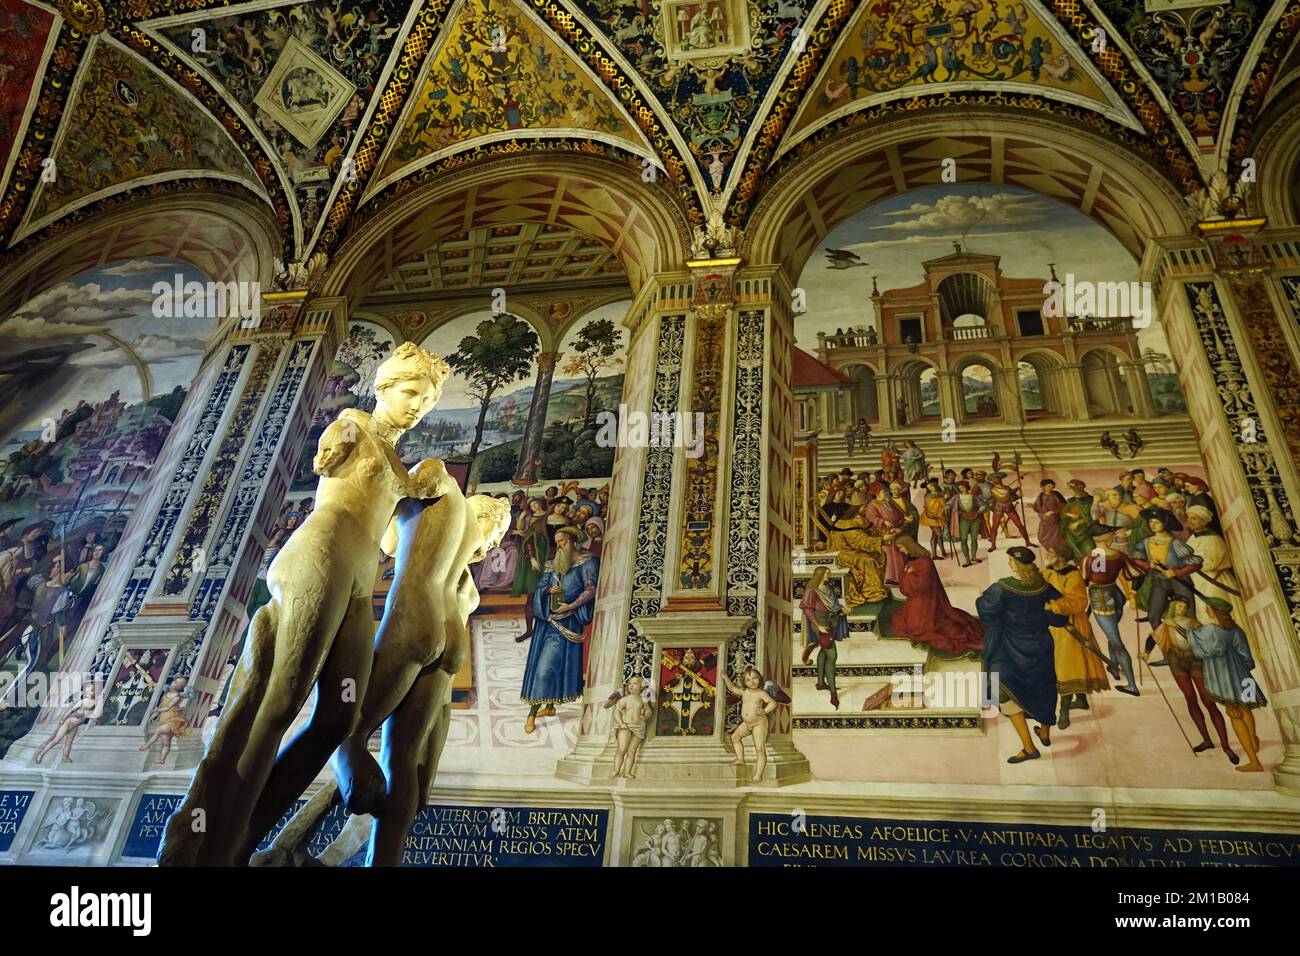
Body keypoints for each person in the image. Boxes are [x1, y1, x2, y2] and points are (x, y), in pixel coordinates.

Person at [159, 342, 451, 867]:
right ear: (384, 387)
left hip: (359, 578)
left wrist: (420, 487)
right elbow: (329, 453)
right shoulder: (353, 425)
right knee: (279, 703)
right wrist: (369, 454)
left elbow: (394, 535)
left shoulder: (396, 460)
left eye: (427, 401)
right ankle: (217, 848)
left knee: (340, 717)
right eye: (411, 392)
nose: (418, 406)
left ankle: (242, 838)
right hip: (322, 555)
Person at [977, 547, 1069, 763]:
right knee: (1044, 688)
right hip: (1040, 646)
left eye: (1011, 560)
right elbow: (1060, 616)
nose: (1009, 562)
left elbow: (985, 610)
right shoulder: (1043, 586)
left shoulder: (1002, 588)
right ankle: (1044, 732)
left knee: (1002, 690)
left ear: (1017, 564)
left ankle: (1029, 748)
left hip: (1010, 647)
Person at [521, 528, 599, 734]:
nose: (559, 547)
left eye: (562, 542)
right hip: (548, 623)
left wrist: (570, 606)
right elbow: (541, 586)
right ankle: (535, 712)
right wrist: (547, 590)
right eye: (557, 543)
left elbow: (591, 589)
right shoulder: (552, 564)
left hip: (570, 622)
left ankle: (545, 708)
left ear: (572, 540)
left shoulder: (588, 562)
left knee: (554, 668)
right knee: (543, 669)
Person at [1150, 596, 1235, 762]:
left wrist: (1175, 626)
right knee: (1190, 699)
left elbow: (1202, 639)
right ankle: (1207, 740)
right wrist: (1146, 652)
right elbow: (1152, 638)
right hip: (1176, 661)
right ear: (1173, 607)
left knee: (1208, 701)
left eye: (1184, 606)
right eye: (1179, 605)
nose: (1182, 608)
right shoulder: (1166, 623)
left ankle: (1226, 746)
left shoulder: (1194, 623)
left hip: (1195, 660)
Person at [1188, 598, 1267, 772]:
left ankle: (1255, 762)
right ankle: (1253, 740)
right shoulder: (1236, 629)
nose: (1207, 610)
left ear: (1215, 611)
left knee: (1235, 714)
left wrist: (1191, 629)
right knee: (1246, 709)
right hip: (1243, 676)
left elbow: (1199, 651)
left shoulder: (1209, 630)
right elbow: (1246, 657)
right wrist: (1240, 669)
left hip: (1224, 679)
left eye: (1209, 608)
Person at [1042, 546, 1109, 727]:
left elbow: (1080, 602)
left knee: (1068, 668)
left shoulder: (1073, 576)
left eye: (1051, 552)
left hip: (1070, 627)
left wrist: (1054, 606)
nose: (1047, 554)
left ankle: (1063, 711)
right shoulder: (1047, 572)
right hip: (1052, 626)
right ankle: (1081, 700)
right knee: (1065, 665)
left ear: (1061, 557)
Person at [890, 536, 982, 656]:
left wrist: (909, 575)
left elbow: (921, 585)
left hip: (927, 602)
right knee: (910, 625)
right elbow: (906, 585)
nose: (900, 550)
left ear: (909, 546)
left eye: (901, 547)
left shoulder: (925, 561)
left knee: (918, 628)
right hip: (915, 601)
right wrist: (907, 574)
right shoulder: (911, 560)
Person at [1131, 507, 1200, 664]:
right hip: (1159, 582)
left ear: (1165, 524)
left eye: (1157, 522)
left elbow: (1196, 563)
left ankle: (1195, 654)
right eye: (1151, 522)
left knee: (1189, 617)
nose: (1153, 525)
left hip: (1180, 582)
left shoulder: (1175, 543)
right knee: (1153, 616)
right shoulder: (1146, 542)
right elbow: (1135, 559)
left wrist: (1177, 572)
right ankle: (1168, 655)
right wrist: (1147, 565)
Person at [1080, 524, 1141, 696]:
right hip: (1116, 597)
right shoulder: (1118, 555)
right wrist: (1134, 590)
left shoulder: (1095, 557)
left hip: (1102, 601)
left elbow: (1088, 579)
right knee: (1111, 634)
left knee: (1116, 643)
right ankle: (1114, 668)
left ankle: (1132, 685)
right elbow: (1134, 574)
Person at [799, 566, 848, 707]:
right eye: (827, 573)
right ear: (820, 574)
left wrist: (842, 608)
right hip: (819, 622)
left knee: (824, 649)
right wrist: (818, 625)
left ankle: (821, 683)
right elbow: (808, 609)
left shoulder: (828, 588)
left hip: (831, 621)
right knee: (832, 655)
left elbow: (834, 605)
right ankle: (833, 694)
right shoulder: (812, 590)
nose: (829, 575)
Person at [721, 666, 780, 782]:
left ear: (760, 679)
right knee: (735, 737)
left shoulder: (761, 693)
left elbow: (773, 703)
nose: (752, 682)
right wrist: (725, 677)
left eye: (755, 678)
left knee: (759, 749)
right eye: (748, 680)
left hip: (759, 723)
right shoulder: (745, 692)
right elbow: (732, 688)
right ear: (744, 682)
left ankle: (758, 775)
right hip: (747, 723)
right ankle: (740, 759)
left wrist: (765, 711)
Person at [823, 513, 890, 608]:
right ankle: (871, 592)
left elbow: (870, 532)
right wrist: (882, 539)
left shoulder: (857, 520)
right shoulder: (846, 524)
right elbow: (861, 542)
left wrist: (885, 533)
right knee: (867, 559)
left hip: (850, 550)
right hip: (842, 553)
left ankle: (873, 590)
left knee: (876, 554)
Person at [865, 486, 907, 583]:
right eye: (884, 492)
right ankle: (890, 577)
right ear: (877, 494)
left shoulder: (888, 501)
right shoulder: (872, 504)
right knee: (888, 554)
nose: (886, 494)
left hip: (894, 530)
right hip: (883, 532)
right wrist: (883, 521)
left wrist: (902, 519)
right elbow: (871, 517)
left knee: (898, 553)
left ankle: (900, 576)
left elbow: (898, 512)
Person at [946, 479, 986, 566]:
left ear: (967, 487)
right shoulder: (956, 497)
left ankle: (974, 557)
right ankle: (967, 560)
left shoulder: (973, 496)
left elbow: (983, 505)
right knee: (963, 540)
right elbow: (948, 504)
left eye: (963, 487)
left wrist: (979, 511)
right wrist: (948, 508)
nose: (961, 489)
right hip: (963, 520)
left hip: (975, 519)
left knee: (974, 539)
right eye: (960, 488)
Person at [986, 471, 1029, 549]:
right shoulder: (993, 490)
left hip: (1009, 507)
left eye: (995, 479)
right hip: (998, 509)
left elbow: (1013, 497)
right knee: (994, 527)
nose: (994, 480)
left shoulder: (1006, 488)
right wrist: (1016, 488)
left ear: (1000, 479)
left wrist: (1018, 493)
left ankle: (1027, 541)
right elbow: (1003, 496)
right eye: (993, 479)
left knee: (1019, 524)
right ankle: (993, 545)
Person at [1061, 479, 1095, 559]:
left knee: (1088, 552)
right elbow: (1063, 512)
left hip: (1085, 531)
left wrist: (1078, 523)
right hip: (1071, 533)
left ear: (1076, 489)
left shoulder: (1089, 501)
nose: (1069, 490)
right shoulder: (1072, 501)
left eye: (1070, 488)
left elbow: (1092, 517)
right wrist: (1069, 514)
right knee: (1074, 553)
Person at [1032, 478, 1068, 553]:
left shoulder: (1056, 495)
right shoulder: (1041, 496)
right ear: (1043, 487)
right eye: (1048, 486)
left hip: (1055, 522)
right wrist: (1033, 506)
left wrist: (1052, 512)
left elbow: (1063, 506)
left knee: (1055, 539)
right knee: (1041, 537)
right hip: (1044, 521)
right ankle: (1050, 552)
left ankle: (1056, 553)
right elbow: (1037, 507)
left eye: (1052, 486)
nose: (1051, 488)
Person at [919, 479, 948, 558]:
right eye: (929, 487)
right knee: (939, 534)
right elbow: (926, 507)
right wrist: (930, 514)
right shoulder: (928, 496)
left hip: (939, 516)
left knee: (935, 535)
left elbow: (944, 505)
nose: (930, 488)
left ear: (935, 486)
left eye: (931, 486)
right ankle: (941, 552)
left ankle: (936, 554)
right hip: (931, 517)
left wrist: (945, 498)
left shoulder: (941, 494)